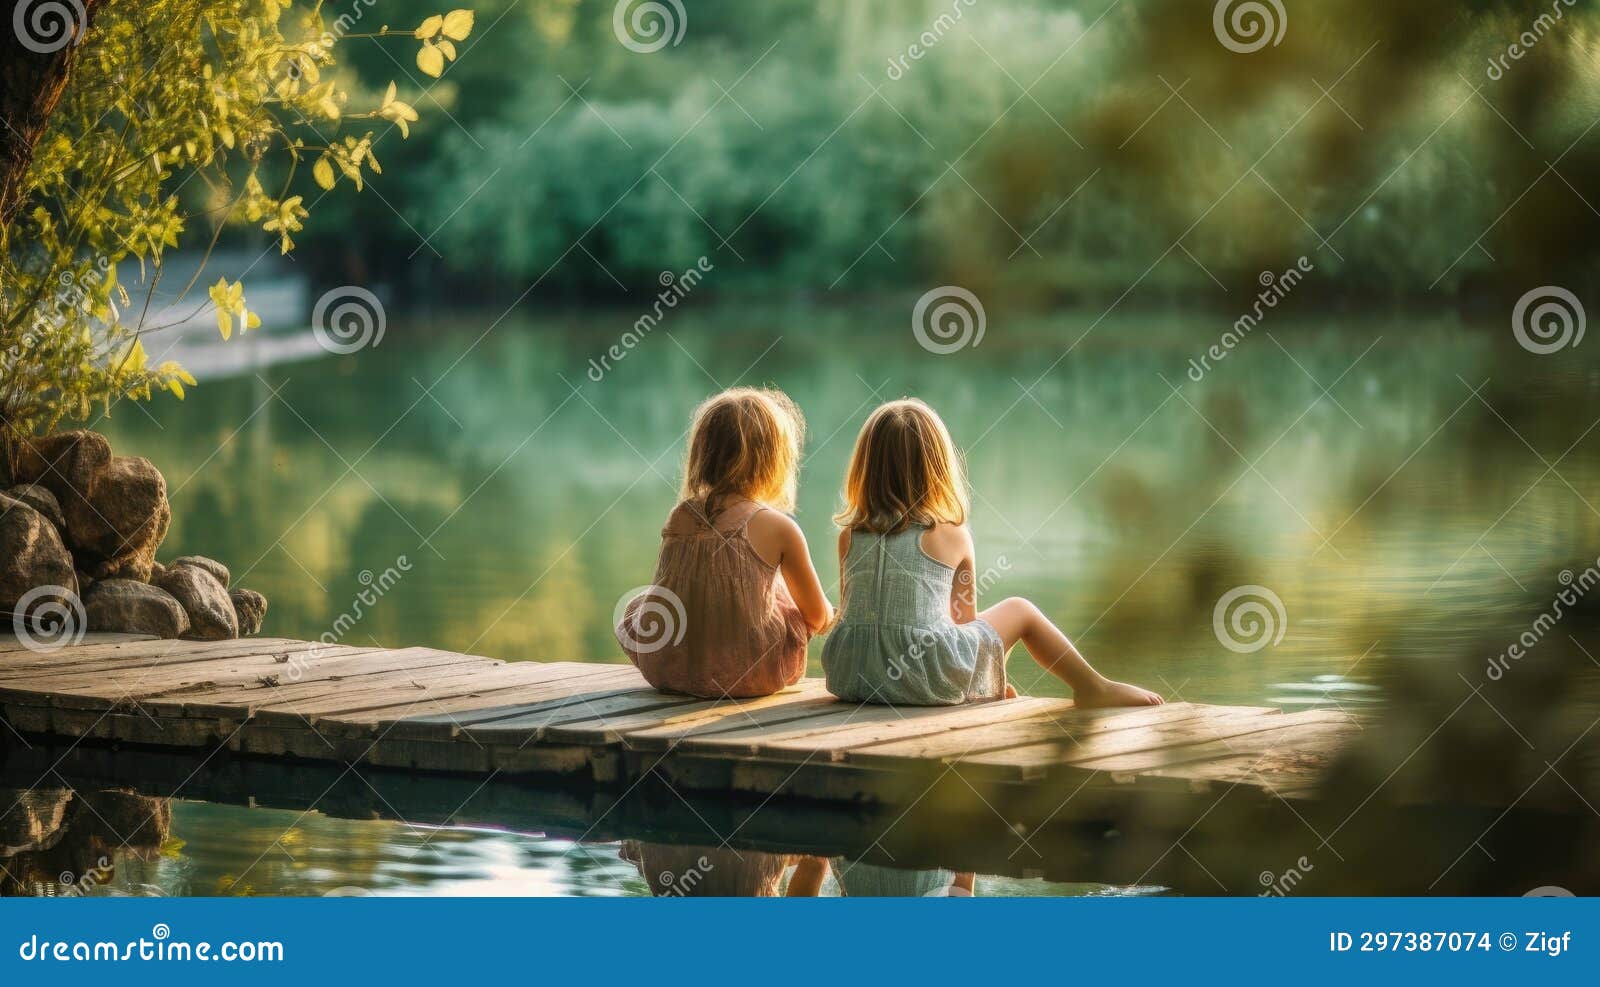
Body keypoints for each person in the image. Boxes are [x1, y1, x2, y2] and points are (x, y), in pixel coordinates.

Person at [822, 398, 1162, 708]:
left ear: (865, 468)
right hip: (923, 681)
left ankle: (991, 687)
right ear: (937, 468)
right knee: (1020, 610)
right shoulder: (952, 535)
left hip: (853, 676)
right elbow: (965, 623)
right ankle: (1093, 687)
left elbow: (858, 613)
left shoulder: (850, 536)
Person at [616, 387, 833, 698]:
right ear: (775, 461)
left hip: (669, 670)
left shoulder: (680, 516)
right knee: (786, 603)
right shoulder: (779, 527)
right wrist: (832, 615)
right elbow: (815, 618)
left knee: (641, 604)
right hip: (752, 674)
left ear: (702, 454)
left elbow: (674, 594)